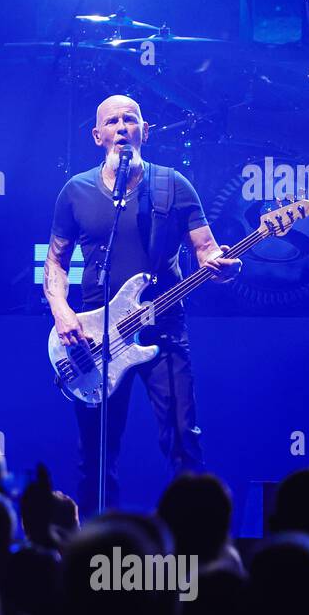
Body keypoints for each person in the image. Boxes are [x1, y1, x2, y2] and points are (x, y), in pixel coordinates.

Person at [43, 94, 240, 517]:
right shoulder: (75, 191)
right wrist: (62, 310)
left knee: (183, 439)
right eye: (111, 121)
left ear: (143, 131)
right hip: (95, 337)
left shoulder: (173, 186)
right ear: (98, 136)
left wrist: (220, 266)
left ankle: (197, 544)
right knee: (96, 452)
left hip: (162, 328)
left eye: (129, 120)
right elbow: (55, 261)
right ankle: (95, 549)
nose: (121, 127)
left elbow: (206, 250)